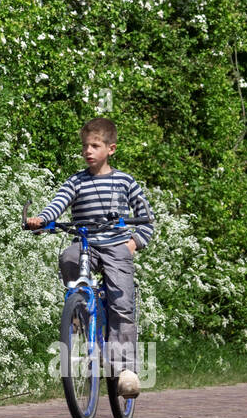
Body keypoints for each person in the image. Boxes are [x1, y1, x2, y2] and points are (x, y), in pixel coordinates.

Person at [25, 118, 155, 397]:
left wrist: (134, 243)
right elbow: (57, 204)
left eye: (95, 145)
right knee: (68, 258)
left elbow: (147, 218)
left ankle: (125, 372)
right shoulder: (76, 181)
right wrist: (42, 220)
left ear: (111, 149)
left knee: (122, 305)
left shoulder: (124, 181)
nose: (88, 151)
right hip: (86, 244)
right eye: (85, 146)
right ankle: (82, 312)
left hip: (118, 245)